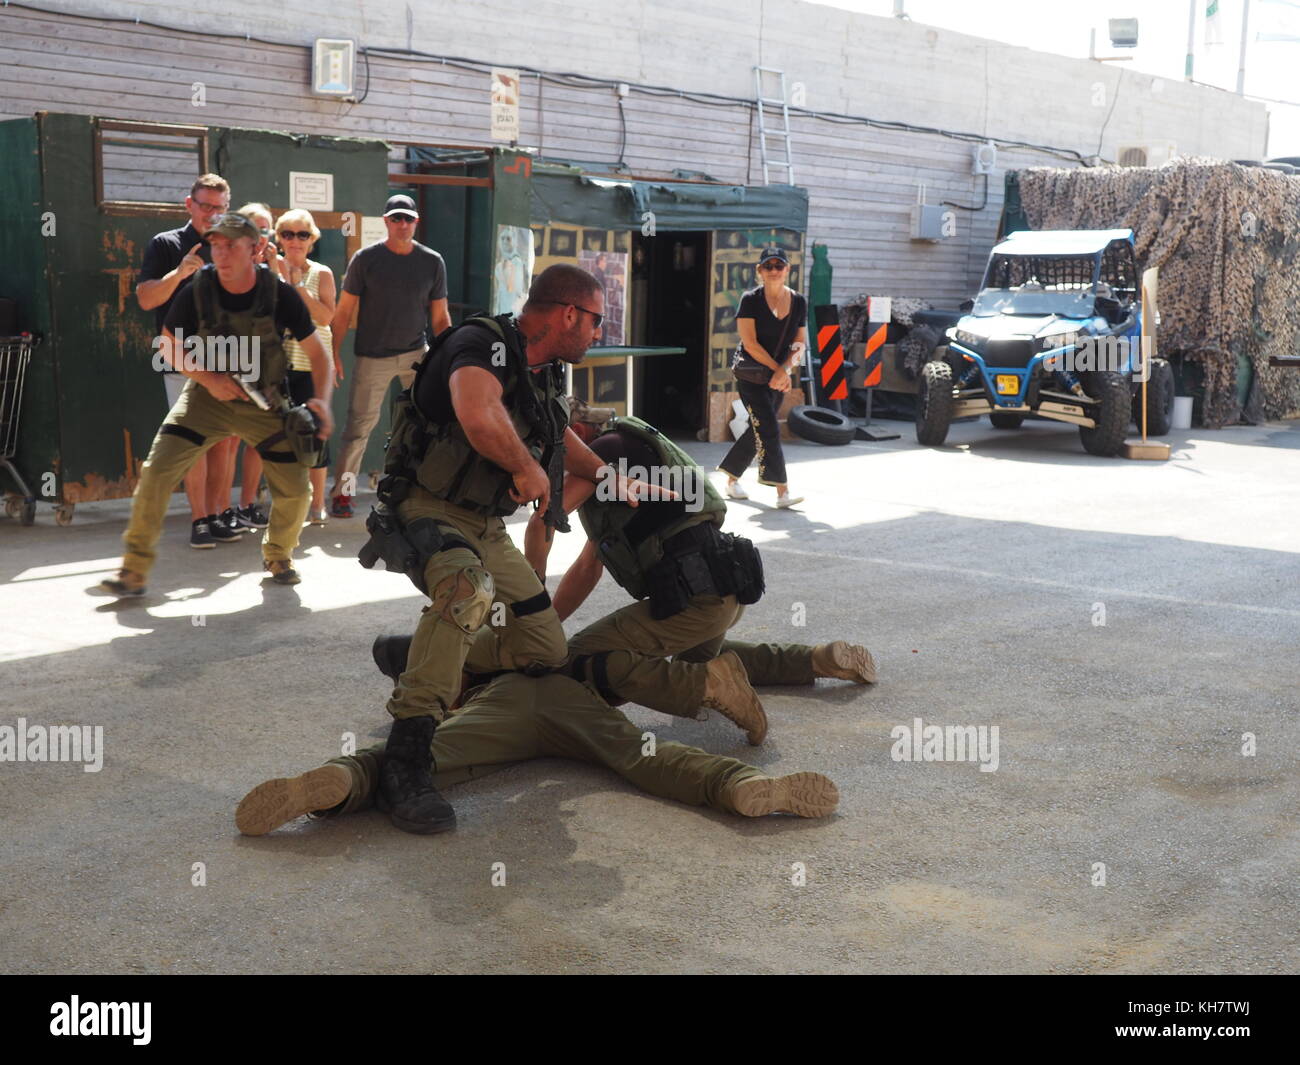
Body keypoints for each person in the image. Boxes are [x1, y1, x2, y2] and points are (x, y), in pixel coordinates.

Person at [362, 264, 661, 835]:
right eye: (597, 321)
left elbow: (556, 433)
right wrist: (525, 469)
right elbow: (477, 412)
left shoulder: (543, 370)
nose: (599, 333)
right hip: (426, 508)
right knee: (466, 592)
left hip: (485, 525)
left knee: (546, 651)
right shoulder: (481, 343)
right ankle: (405, 761)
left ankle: (421, 655)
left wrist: (611, 477)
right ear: (568, 313)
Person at [235, 670, 840, 837]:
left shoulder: (462, 680)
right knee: (644, 755)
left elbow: (428, 723)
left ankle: (339, 780)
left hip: (499, 710)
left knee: (414, 759)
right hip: (563, 697)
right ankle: (736, 786)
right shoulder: (508, 632)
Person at [98, 213, 334, 596]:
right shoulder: (198, 289)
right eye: (216, 244)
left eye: (231, 244)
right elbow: (168, 345)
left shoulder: (279, 293)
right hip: (205, 401)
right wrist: (209, 378)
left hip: (265, 404)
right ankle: (133, 570)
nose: (221, 252)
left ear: (254, 248)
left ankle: (278, 554)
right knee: (156, 471)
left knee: (296, 490)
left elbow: (318, 354)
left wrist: (322, 402)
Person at [327, 194, 451, 518]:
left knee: (427, 423)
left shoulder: (432, 261)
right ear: (385, 222)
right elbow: (343, 312)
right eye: (396, 218)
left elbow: (440, 318)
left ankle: (420, 489)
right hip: (373, 356)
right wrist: (333, 354)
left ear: (416, 222)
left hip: (415, 352)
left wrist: (448, 356)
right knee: (359, 428)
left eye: (407, 219)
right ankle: (344, 493)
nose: (402, 224)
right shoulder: (365, 259)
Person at [135, 173, 242, 548]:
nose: (211, 214)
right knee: (192, 440)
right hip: (180, 356)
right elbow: (146, 299)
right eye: (205, 205)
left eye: (219, 207)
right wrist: (179, 273)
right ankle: (199, 520)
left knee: (225, 441)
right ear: (189, 204)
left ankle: (216, 515)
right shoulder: (166, 244)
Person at [718, 246, 809, 508]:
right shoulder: (750, 300)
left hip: (779, 377)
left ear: (787, 270)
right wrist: (777, 370)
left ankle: (731, 477)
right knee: (768, 426)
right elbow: (750, 343)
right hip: (753, 376)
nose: (773, 271)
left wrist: (786, 370)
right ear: (759, 270)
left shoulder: (799, 302)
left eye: (778, 266)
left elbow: (799, 341)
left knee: (758, 427)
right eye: (767, 266)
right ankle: (782, 492)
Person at [272, 207, 337, 524]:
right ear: (279, 238)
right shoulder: (268, 271)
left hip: (312, 367)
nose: (295, 241)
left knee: (314, 433)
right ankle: (284, 503)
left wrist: (297, 286)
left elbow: (326, 317)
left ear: (312, 239)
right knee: (278, 435)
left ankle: (317, 503)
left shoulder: (321, 273)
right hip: (278, 367)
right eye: (288, 234)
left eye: (302, 234)